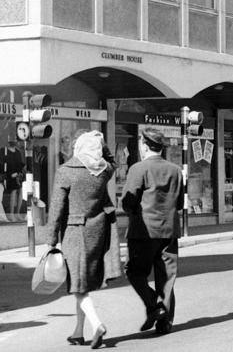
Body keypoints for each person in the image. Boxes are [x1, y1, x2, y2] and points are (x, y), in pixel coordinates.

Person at [46, 130, 120, 349]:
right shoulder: (104, 170)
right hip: (98, 231)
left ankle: (97, 325)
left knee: (77, 286)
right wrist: (101, 145)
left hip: (75, 232)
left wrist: (50, 240)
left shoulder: (66, 171)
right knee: (81, 283)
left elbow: (57, 208)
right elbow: (111, 159)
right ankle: (78, 332)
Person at [122, 128, 183, 335]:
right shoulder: (175, 170)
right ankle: (165, 322)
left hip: (143, 232)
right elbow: (180, 203)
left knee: (135, 272)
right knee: (166, 277)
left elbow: (128, 202)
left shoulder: (138, 169)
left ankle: (155, 305)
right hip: (169, 231)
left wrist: (132, 212)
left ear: (144, 145)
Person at [1, 139, 25, 221]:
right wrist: (10, 174)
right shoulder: (4, 152)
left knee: (21, 190)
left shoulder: (18, 152)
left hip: (17, 176)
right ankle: (11, 214)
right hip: (9, 177)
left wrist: (19, 172)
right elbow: (3, 165)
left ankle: (17, 213)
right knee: (14, 190)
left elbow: (20, 164)